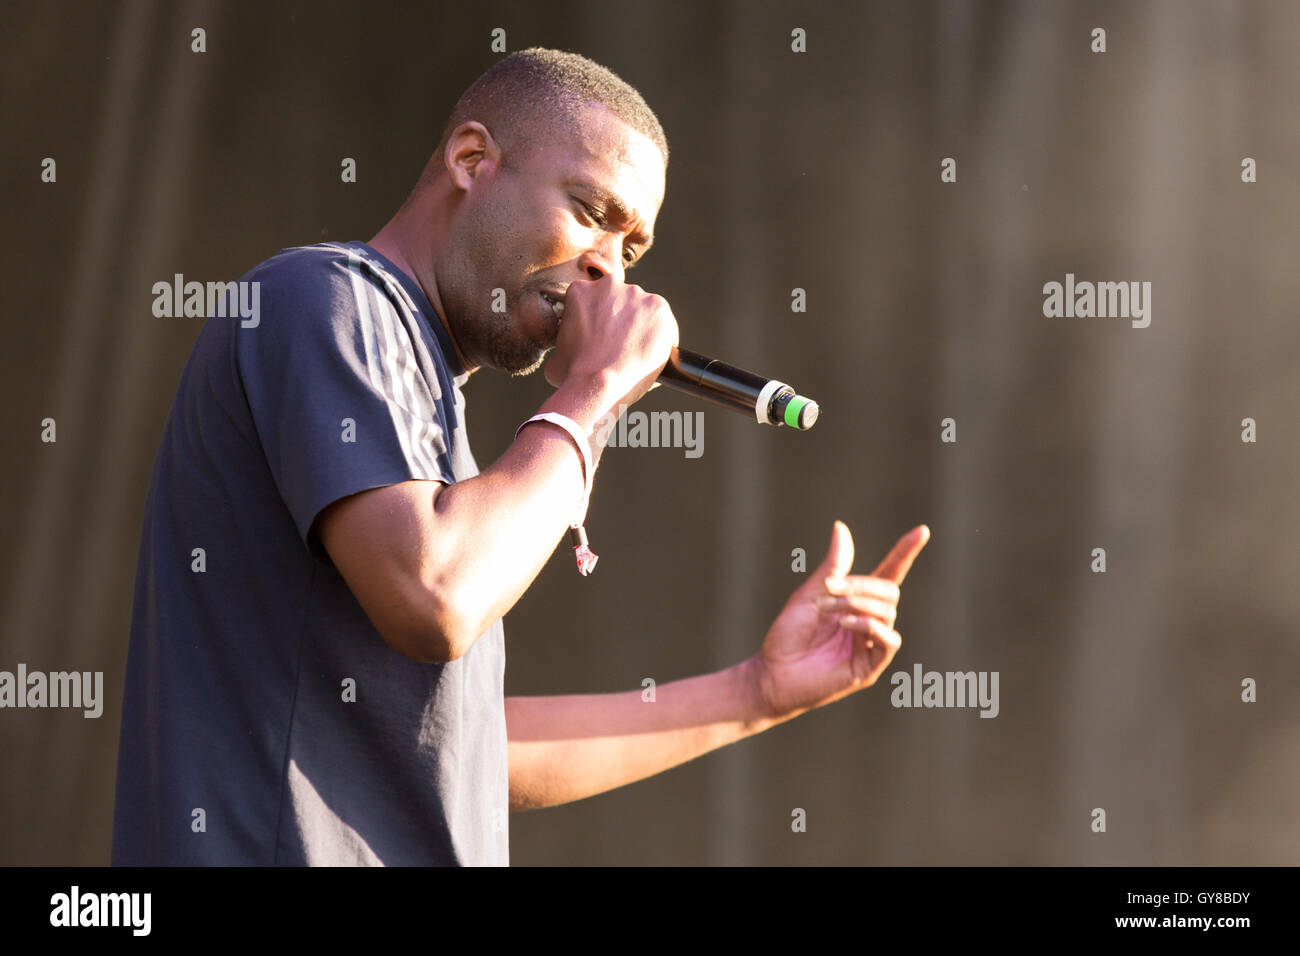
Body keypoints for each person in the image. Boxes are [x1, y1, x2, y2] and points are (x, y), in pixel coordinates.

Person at [110, 47, 929, 866]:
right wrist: (593, 394)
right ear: (472, 160)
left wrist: (756, 693)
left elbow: (465, 750)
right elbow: (435, 596)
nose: (608, 264)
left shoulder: (428, 405)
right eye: (590, 210)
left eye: (632, 248)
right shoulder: (326, 299)